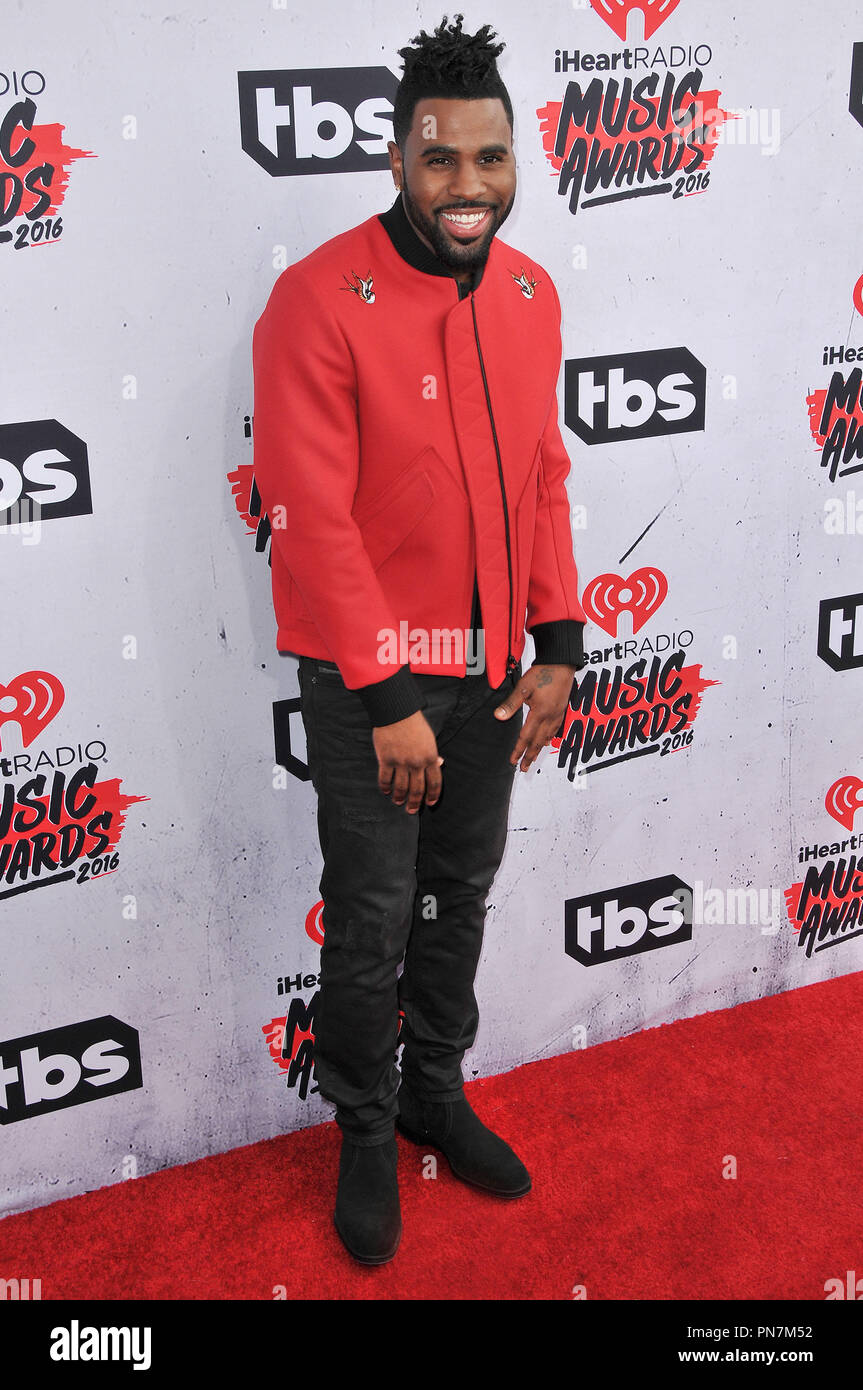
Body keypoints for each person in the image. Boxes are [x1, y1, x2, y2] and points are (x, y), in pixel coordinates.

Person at [252, 13, 588, 1265]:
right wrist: (384, 688)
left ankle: (436, 1094)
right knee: (372, 914)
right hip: (372, 688)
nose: (469, 188)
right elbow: (308, 517)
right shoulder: (315, 296)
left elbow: (542, 478)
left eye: (491, 160)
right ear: (396, 159)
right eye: (441, 160)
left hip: (497, 678)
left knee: (458, 901)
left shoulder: (528, 290)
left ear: (516, 159)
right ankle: (363, 1124)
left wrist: (555, 642)